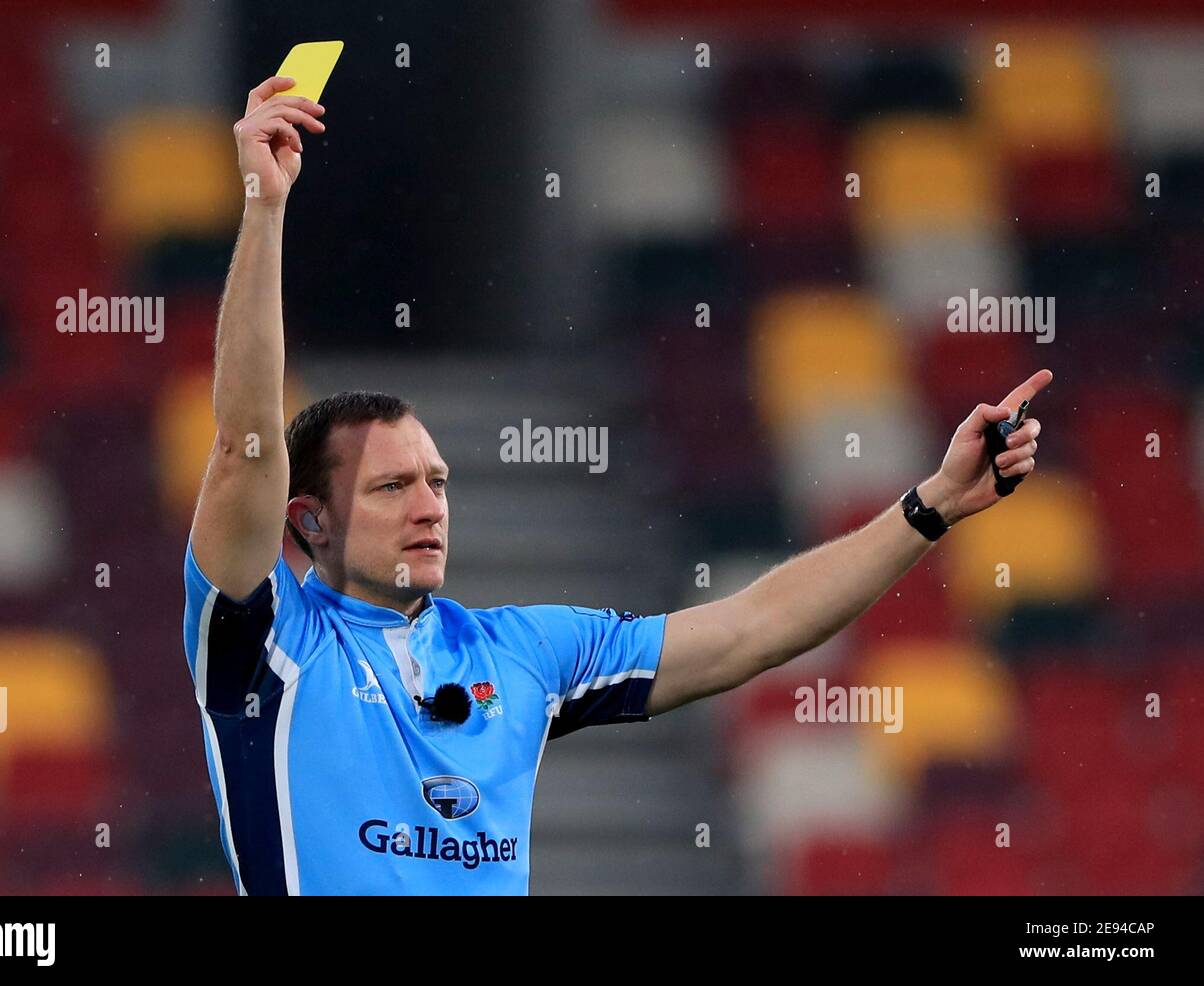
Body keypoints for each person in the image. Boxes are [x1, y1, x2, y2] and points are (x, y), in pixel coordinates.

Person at [181, 76, 1052, 894]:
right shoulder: (265, 642)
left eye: (438, 483)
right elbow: (245, 449)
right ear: (310, 521)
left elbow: (754, 629)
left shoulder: (521, 654)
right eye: (391, 487)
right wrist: (265, 208)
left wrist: (929, 505)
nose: (430, 506)